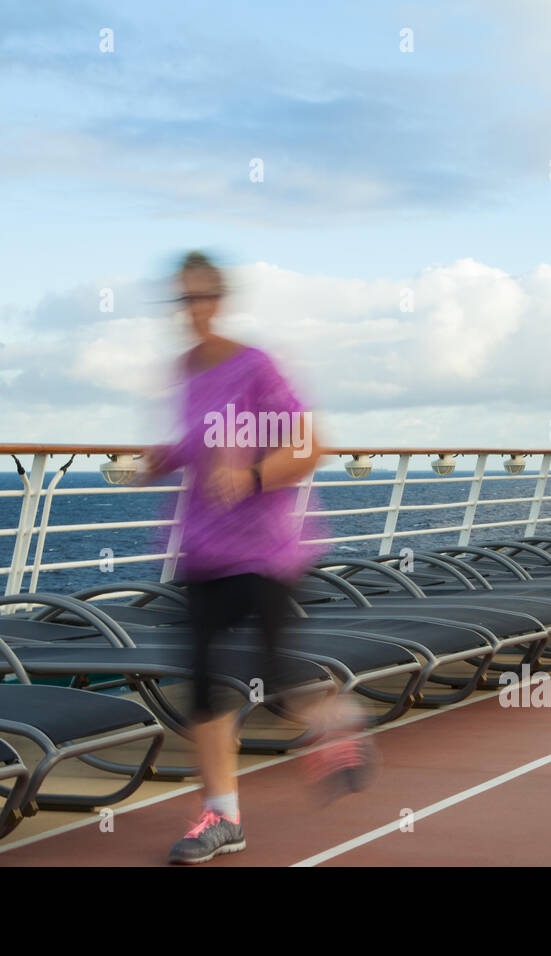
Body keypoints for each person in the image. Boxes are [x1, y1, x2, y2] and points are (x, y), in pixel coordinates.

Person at [138, 250, 378, 864]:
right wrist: (166, 458)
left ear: (219, 301)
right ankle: (222, 817)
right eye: (182, 299)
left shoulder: (255, 366)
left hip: (263, 550)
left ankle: (334, 714)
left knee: (274, 683)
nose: (190, 309)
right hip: (203, 550)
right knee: (203, 686)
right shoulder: (183, 370)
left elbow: (309, 446)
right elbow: (202, 442)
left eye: (200, 297)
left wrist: (248, 475)